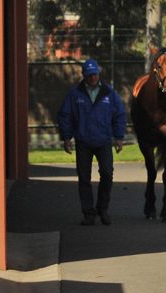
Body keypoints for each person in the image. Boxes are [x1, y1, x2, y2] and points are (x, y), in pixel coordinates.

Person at [57, 58, 126, 226]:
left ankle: (103, 209)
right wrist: (66, 138)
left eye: (94, 74)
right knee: (84, 178)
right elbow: (65, 116)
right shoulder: (75, 94)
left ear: (98, 74)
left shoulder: (109, 93)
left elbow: (119, 115)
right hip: (83, 141)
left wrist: (119, 137)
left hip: (103, 140)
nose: (92, 78)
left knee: (107, 174)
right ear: (84, 75)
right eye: (89, 75)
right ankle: (88, 213)